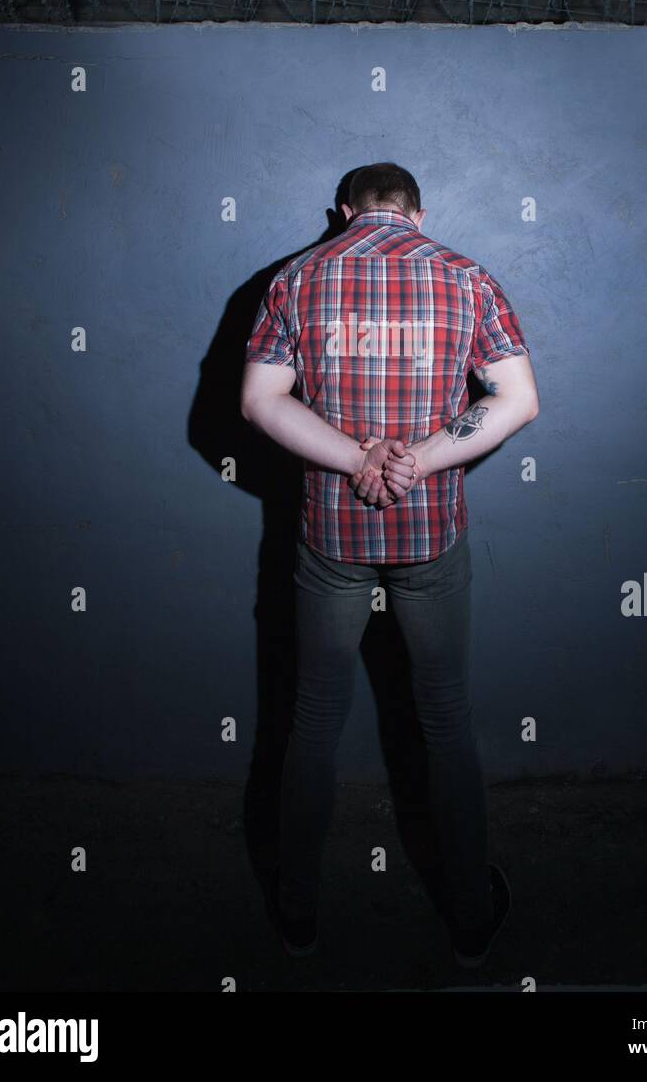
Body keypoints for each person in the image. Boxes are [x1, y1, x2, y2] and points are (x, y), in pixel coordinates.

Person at [241, 162, 539, 966]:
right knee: (445, 721)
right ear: (417, 211)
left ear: (344, 211)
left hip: (330, 539)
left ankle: (298, 916)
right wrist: (418, 461)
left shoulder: (295, 277)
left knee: (309, 724)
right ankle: (471, 920)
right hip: (430, 534)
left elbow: (259, 403)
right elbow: (518, 400)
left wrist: (359, 457)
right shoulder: (466, 276)